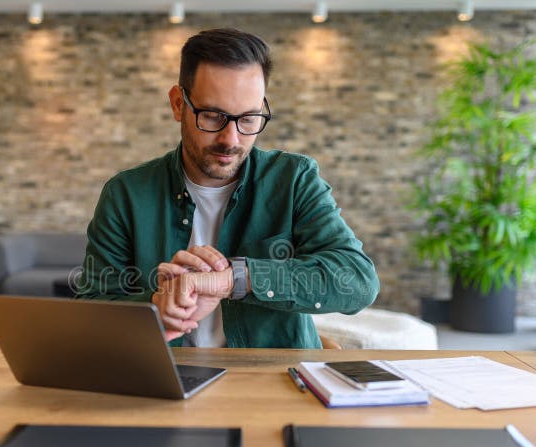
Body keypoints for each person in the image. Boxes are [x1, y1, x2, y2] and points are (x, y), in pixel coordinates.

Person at [79, 28, 379, 349]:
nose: (231, 140)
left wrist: (235, 279)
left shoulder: (294, 179)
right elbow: (92, 309)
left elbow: (357, 280)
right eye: (213, 116)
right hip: (168, 372)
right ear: (178, 104)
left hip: (273, 376)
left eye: (249, 118)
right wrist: (155, 305)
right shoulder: (126, 194)